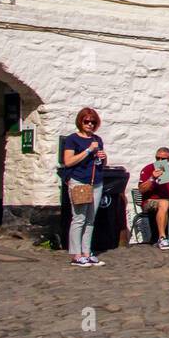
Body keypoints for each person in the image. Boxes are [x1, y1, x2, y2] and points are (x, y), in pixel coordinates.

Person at [61, 108, 109, 267]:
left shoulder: (97, 139)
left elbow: (101, 163)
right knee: (79, 218)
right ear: (80, 122)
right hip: (79, 181)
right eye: (86, 121)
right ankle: (76, 255)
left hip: (96, 181)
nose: (90, 124)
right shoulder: (72, 139)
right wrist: (88, 150)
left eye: (93, 122)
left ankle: (87, 253)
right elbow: (68, 161)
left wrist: (103, 157)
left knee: (90, 219)